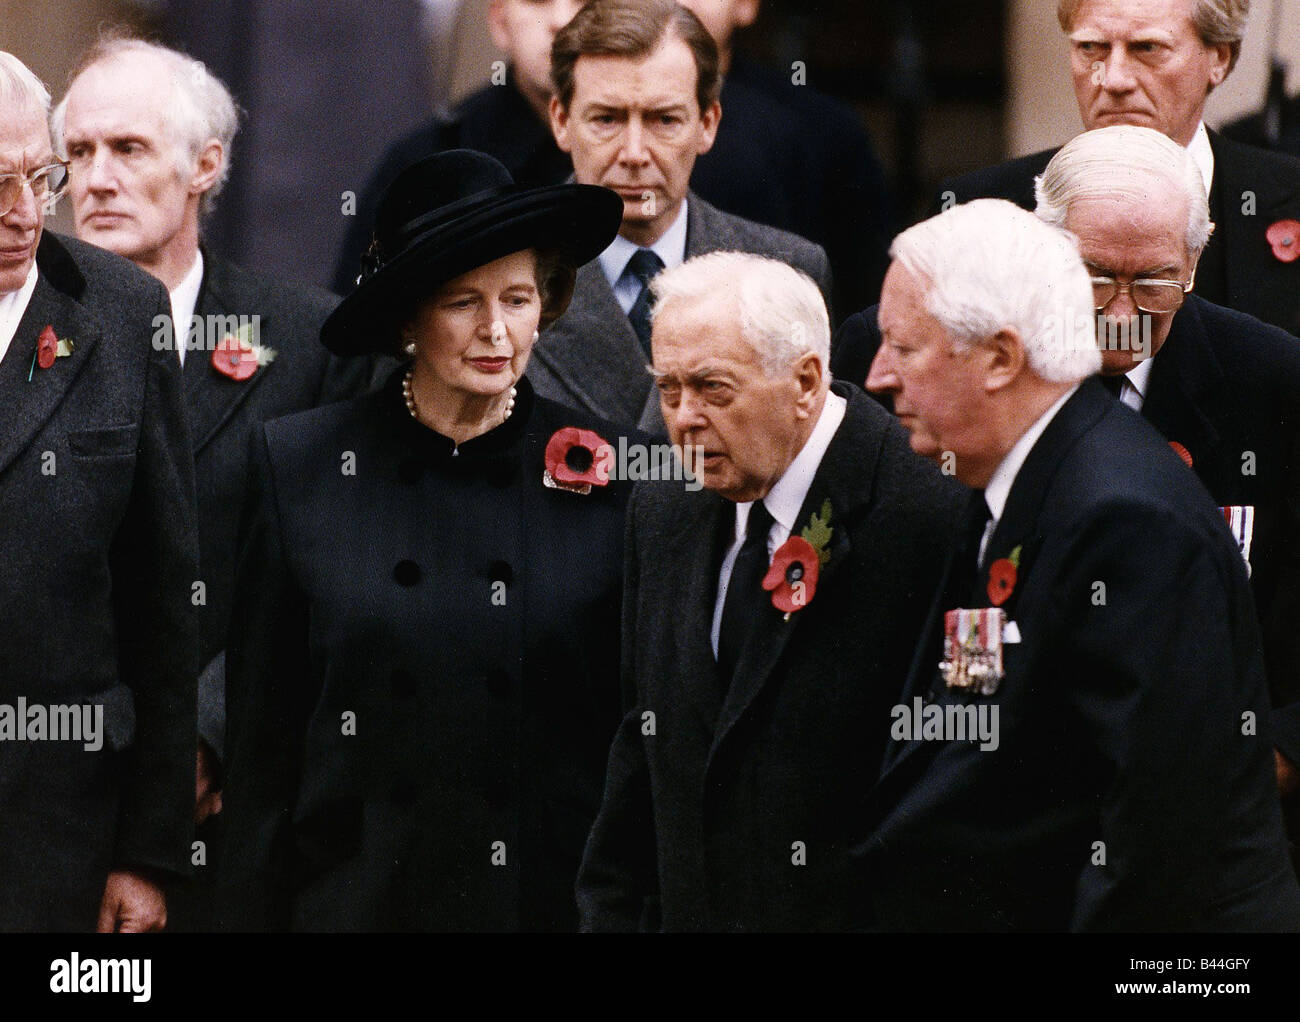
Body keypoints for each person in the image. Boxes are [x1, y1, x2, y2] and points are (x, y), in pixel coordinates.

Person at [215, 150, 637, 931]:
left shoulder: (614, 477)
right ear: (408, 317)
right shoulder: (300, 466)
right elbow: (262, 751)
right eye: (462, 302)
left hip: (542, 909)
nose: (495, 332)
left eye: (517, 299)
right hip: (360, 905)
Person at [861, 198, 1300, 930]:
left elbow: (1154, 831)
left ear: (1001, 358)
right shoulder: (1013, 478)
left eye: (904, 349)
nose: (878, 374)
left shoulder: (1124, 520)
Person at [54, 35, 372, 924]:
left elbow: (331, 571)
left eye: (129, 149)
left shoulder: (311, 343)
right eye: (78, 152)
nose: (97, 179)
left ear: (206, 164)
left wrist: (204, 737)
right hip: (56, 805)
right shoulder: (23, 343)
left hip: (241, 817)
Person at [575, 252, 960, 931]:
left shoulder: (930, 512)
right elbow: (642, 752)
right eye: (668, 391)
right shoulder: (664, 504)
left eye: (713, 389)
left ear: (806, 381)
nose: (685, 419)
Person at [1031, 124, 1300, 853]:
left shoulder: (1273, 380)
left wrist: (1274, 756)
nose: (1121, 317)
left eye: (1151, 282)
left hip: (1219, 814)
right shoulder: (990, 369)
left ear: (1193, 260)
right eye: (1091, 277)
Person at [0, 51, 197, 932]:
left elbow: (164, 603)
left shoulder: (120, 313)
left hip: (61, 831)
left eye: (40, 178)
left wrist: (148, 854)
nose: (22, 214)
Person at [530, 0, 829, 435]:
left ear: (707, 123)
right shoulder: (505, 274)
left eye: (664, 120)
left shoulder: (785, 269)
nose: (634, 154)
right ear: (561, 120)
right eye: (607, 120)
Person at [937, 0, 1300, 336]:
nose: (1113, 81)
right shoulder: (979, 211)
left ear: (1219, 58)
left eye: (1147, 49)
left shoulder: (1287, 198)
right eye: (1090, 48)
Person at [331, 0, 585, 295]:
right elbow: (354, 323)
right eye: (537, 0)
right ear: (500, 21)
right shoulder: (425, 165)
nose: (562, 20)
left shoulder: (644, 154)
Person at [680, 0, 894, 316]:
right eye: (608, 117)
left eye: (665, 119)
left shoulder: (819, 128)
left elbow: (862, 291)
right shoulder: (588, 109)